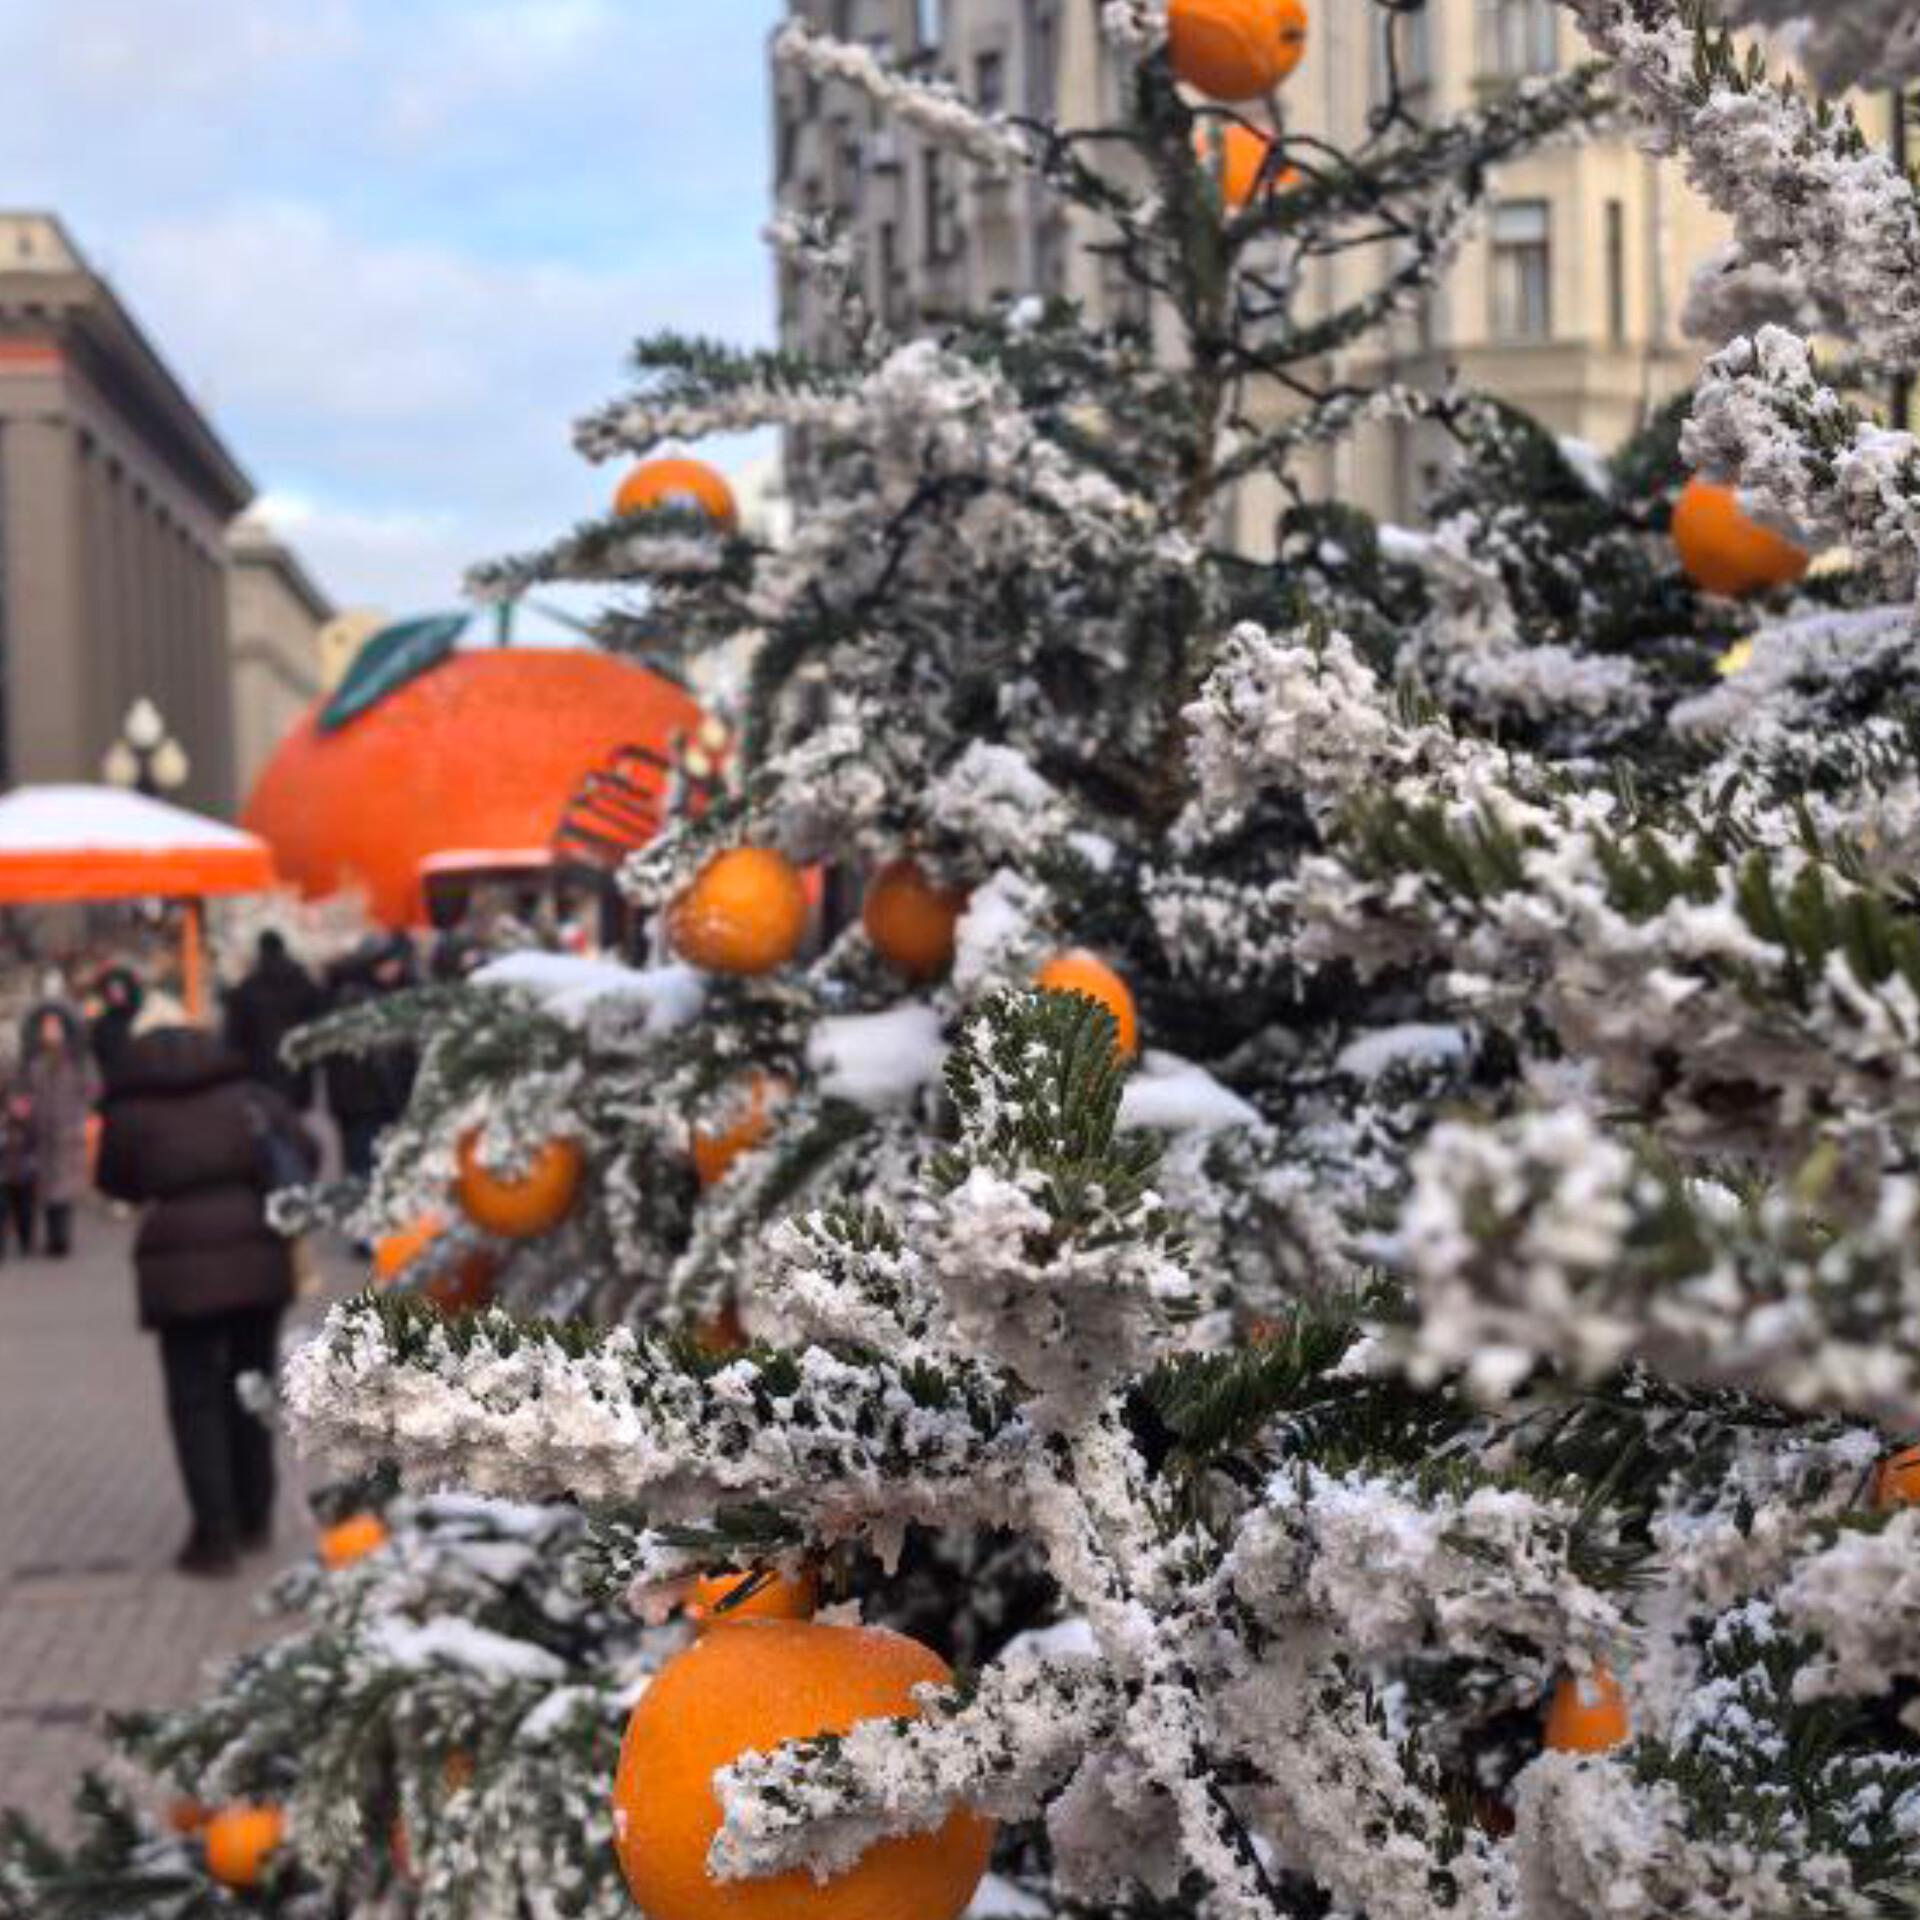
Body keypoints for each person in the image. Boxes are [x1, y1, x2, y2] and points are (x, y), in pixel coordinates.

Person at [95, 994, 319, 1577]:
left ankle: (213, 1539)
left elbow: (115, 1183)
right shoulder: (248, 1096)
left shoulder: (131, 1110)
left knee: (194, 1401)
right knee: (253, 1385)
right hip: (257, 1259)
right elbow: (307, 1151)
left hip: (178, 1270)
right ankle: (256, 1517)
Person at [323, 933, 420, 1181]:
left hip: (370, 1103)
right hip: (368, 1104)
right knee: (368, 1173)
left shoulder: (389, 994)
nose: (394, 968)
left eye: (395, 962)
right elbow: (380, 1058)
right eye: (387, 963)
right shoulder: (356, 999)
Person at [20, 1003, 99, 1257]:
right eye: (47, 1028)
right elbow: (24, 1091)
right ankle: (53, 1236)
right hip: (40, 1132)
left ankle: (61, 1239)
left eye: (55, 1028)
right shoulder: (33, 1060)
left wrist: (82, 1109)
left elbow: (93, 1088)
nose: (51, 1033)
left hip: (68, 1130)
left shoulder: (77, 1059)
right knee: (46, 1189)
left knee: (63, 1189)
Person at [223, 931, 324, 1110]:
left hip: (260, 1073)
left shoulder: (247, 989)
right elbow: (318, 1025)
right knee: (294, 1124)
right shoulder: (304, 984)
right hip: (298, 1070)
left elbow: (233, 1037)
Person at [89, 966, 145, 1086]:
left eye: (119, 989)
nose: (115, 993)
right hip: (112, 1084)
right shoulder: (102, 1025)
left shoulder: (143, 1017)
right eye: (111, 990)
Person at [0, 1068, 35, 1256]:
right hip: (4, 1172)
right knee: (2, 1211)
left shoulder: (28, 1118)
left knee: (24, 1211)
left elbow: (36, 1140)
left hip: (24, 1171)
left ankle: (26, 1242)